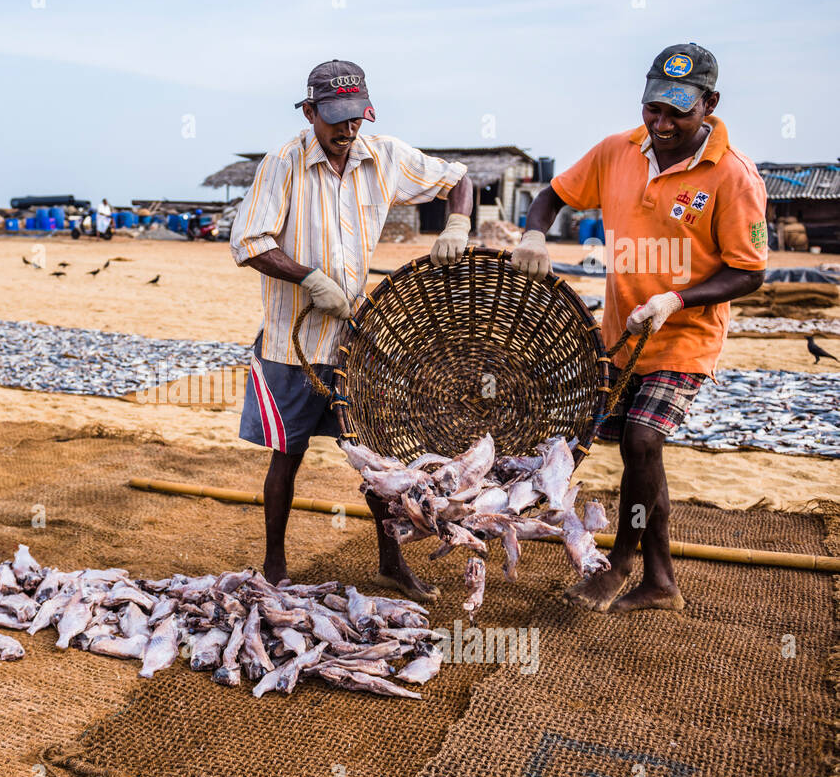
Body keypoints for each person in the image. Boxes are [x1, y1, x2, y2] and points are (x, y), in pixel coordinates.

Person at [512, 43, 768, 613]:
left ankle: (621, 565)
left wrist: (675, 300)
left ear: (711, 105)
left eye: (678, 112)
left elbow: (749, 272)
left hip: (684, 334)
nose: (662, 123)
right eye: (654, 108)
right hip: (621, 338)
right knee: (640, 459)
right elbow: (552, 195)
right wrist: (533, 232)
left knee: (643, 441)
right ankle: (662, 580)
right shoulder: (616, 151)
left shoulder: (733, 176)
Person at [231, 59, 473, 595]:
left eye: (355, 117)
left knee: (378, 460)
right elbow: (250, 243)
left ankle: (390, 562)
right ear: (311, 112)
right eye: (334, 118)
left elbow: (459, 180)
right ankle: (275, 564)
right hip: (290, 342)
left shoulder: (384, 156)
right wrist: (310, 279)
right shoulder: (284, 162)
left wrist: (456, 224)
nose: (346, 130)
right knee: (286, 457)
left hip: (356, 345)